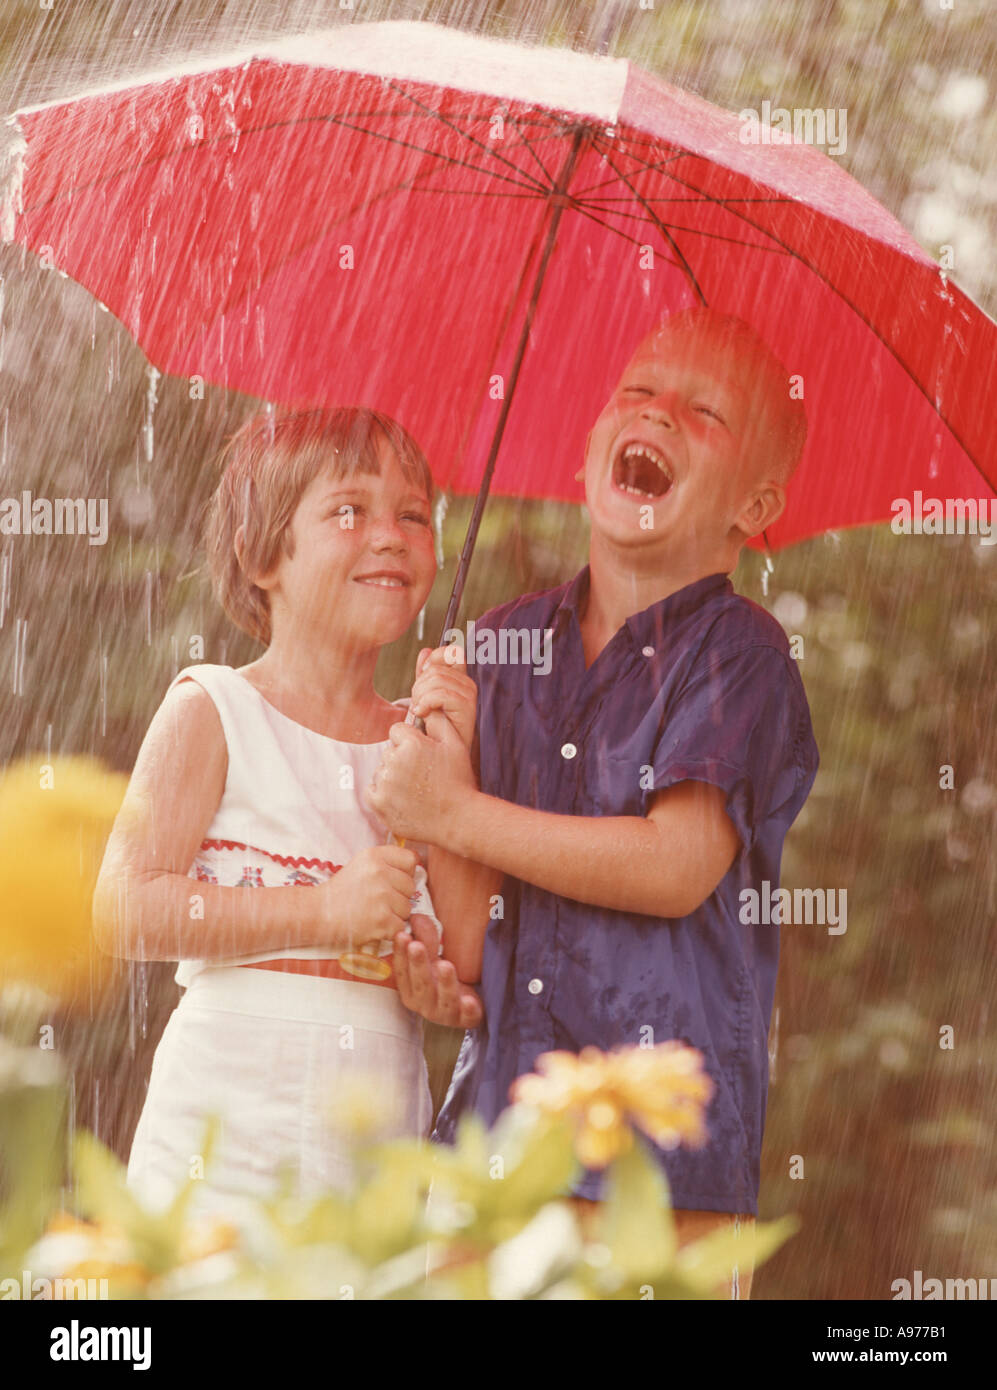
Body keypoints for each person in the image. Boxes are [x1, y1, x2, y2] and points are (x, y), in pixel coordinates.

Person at [367, 307, 821, 1299]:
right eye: (638, 392)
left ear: (754, 503)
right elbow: (476, 943)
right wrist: (435, 747)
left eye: (704, 411)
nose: (657, 413)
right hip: (495, 1150)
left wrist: (454, 813)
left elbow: (672, 866)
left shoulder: (740, 655)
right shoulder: (496, 649)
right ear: (589, 450)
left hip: (662, 1178)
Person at [93, 406, 476, 1222]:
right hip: (223, 1121)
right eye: (349, 510)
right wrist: (323, 910)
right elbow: (124, 907)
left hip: (374, 1119)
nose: (391, 534)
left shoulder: (424, 746)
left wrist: (440, 991)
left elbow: (465, 955)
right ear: (262, 555)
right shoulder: (216, 709)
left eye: (414, 514)